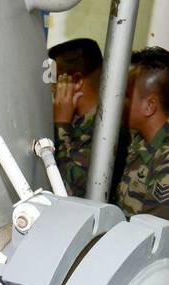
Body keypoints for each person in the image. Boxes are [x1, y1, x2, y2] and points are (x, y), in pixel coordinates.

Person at [115, 47, 169, 224]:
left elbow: (153, 239)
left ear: (149, 106)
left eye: (126, 95)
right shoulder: (141, 142)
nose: (118, 101)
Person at [50, 37, 104, 196]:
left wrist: (61, 124)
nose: (53, 89)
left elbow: (68, 190)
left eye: (57, 80)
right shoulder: (79, 121)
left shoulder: (103, 130)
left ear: (77, 81)